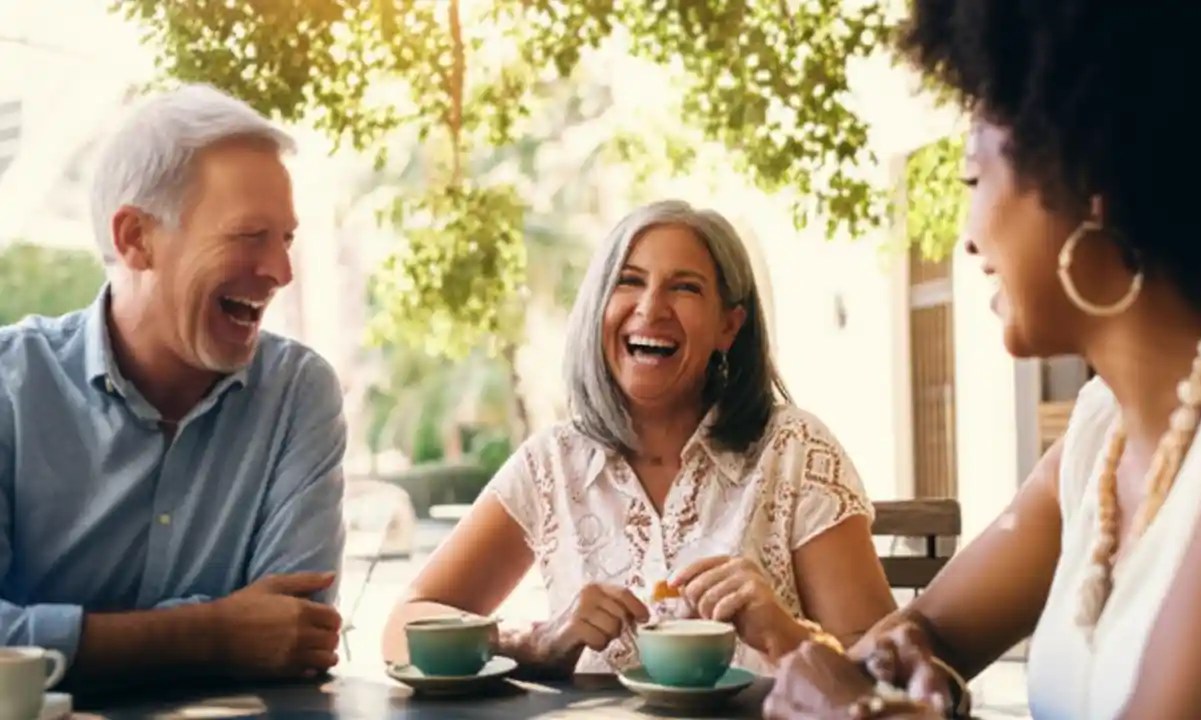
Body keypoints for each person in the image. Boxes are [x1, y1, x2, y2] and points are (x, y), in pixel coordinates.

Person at [765, 1, 1201, 718]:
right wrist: (903, 654)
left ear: (1085, 167)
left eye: (973, 180)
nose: (967, 240)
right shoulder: (1103, 436)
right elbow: (932, 626)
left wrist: (855, 712)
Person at [383, 200, 895, 677]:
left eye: (686, 287)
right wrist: (533, 643)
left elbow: (886, 670)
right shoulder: (552, 463)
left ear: (729, 326)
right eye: (629, 281)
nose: (651, 308)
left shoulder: (795, 451)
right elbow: (400, 628)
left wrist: (784, 635)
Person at [0, 85, 347, 686]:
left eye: (285, 238)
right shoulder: (11, 388)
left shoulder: (298, 393)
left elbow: (294, 635)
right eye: (249, 235)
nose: (281, 272)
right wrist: (214, 636)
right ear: (135, 238)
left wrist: (66, 640)